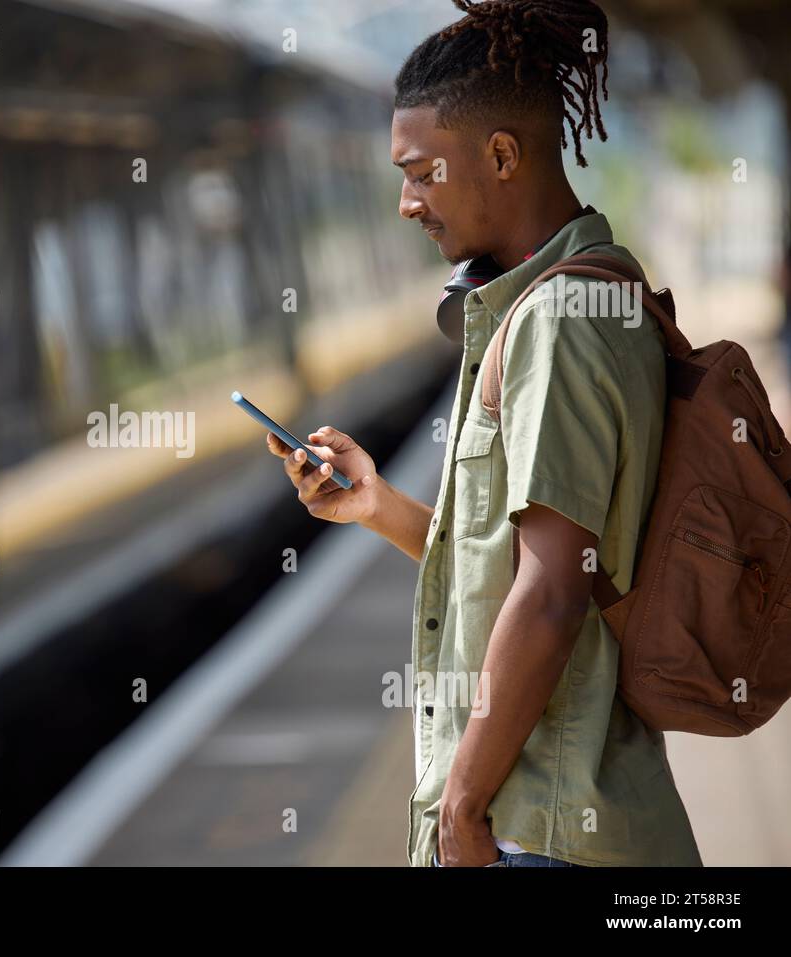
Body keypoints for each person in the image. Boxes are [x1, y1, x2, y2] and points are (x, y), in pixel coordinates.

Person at [266, 0, 703, 867]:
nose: (405, 203)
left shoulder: (559, 324)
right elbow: (519, 566)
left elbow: (549, 595)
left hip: (538, 831)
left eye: (422, 172)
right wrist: (379, 507)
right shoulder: (567, 302)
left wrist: (461, 811)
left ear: (502, 155)